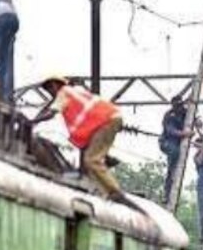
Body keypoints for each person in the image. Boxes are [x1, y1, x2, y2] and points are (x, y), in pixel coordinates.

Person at [35, 76, 132, 206]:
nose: (50, 92)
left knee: (91, 160)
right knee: (91, 158)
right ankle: (104, 186)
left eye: (50, 88)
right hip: (109, 119)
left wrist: (32, 121)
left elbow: (51, 113)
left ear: (55, 85)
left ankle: (115, 193)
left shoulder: (64, 93)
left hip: (105, 122)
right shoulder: (77, 91)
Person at [161, 96, 194, 202]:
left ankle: (171, 190)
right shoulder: (169, 115)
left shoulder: (185, 113)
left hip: (178, 143)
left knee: (177, 157)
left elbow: (195, 118)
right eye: (177, 106)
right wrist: (184, 134)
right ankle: (167, 193)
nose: (179, 108)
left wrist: (197, 122)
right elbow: (171, 131)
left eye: (181, 105)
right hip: (168, 142)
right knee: (174, 157)